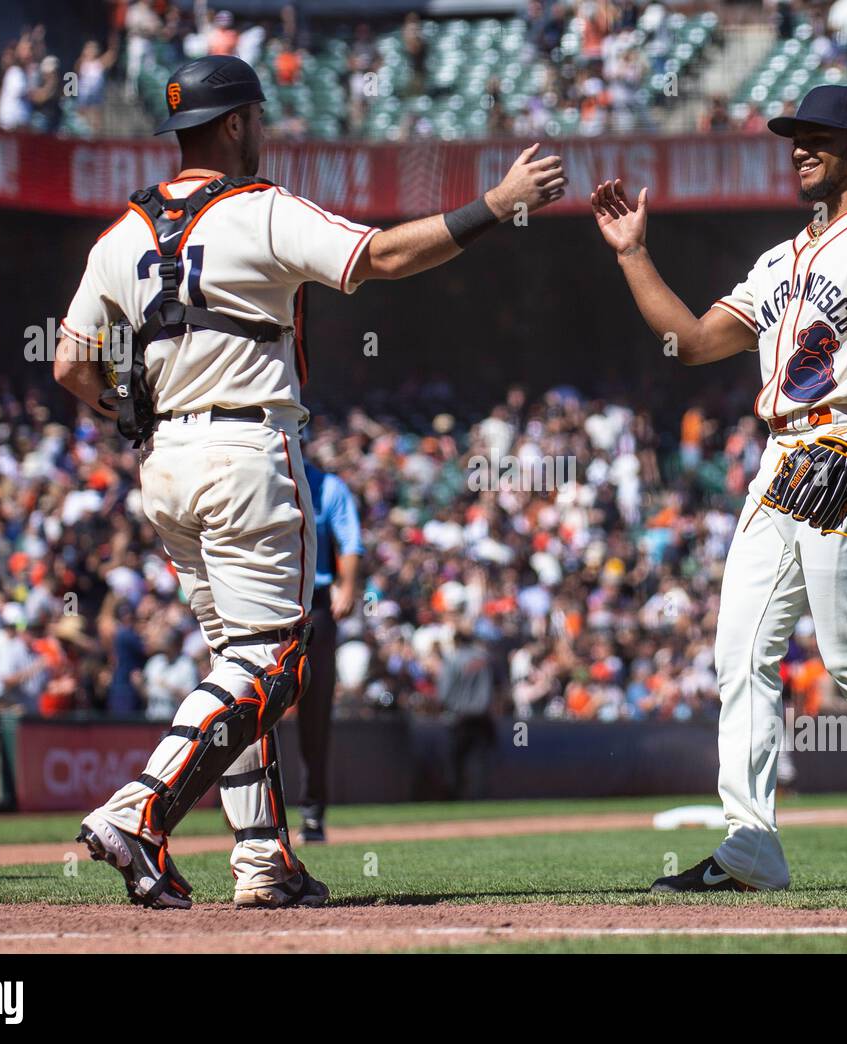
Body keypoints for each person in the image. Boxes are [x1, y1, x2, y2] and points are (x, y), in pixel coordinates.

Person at [54, 54, 565, 910]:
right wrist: (496, 205)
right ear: (232, 126)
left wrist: (122, 408)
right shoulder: (259, 210)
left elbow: (70, 365)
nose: (265, 130)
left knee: (237, 660)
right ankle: (139, 809)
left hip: (164, 464)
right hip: (246, 449)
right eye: (256, 117)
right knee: (277, 660)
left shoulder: (122, 235)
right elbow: (381, 258)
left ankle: (263, 863)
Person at [590, 84, 847, 891]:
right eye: (794, 137)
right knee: (740, 654)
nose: (801, 148)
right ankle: (750, 845)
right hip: (782, 460)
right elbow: (692, 343)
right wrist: (632, 255)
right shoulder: (780, 258)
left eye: (819, 137)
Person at [295, 461, 363, 843]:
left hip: (316, 602)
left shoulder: (328, 486)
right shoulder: (259, 475)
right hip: (271, 601)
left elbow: (350, 541)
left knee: (315, 708)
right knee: (253, 706)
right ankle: (250, 811)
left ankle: (312, 814)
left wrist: (348, 585)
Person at [437, 619, 497, 800]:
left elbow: (444, 693)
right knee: (478, 759)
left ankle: (455, 795)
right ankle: (478, 796)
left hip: (459, 717)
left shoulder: (453, 660)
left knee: (455, 759)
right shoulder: (484, 659)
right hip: (481, 716)